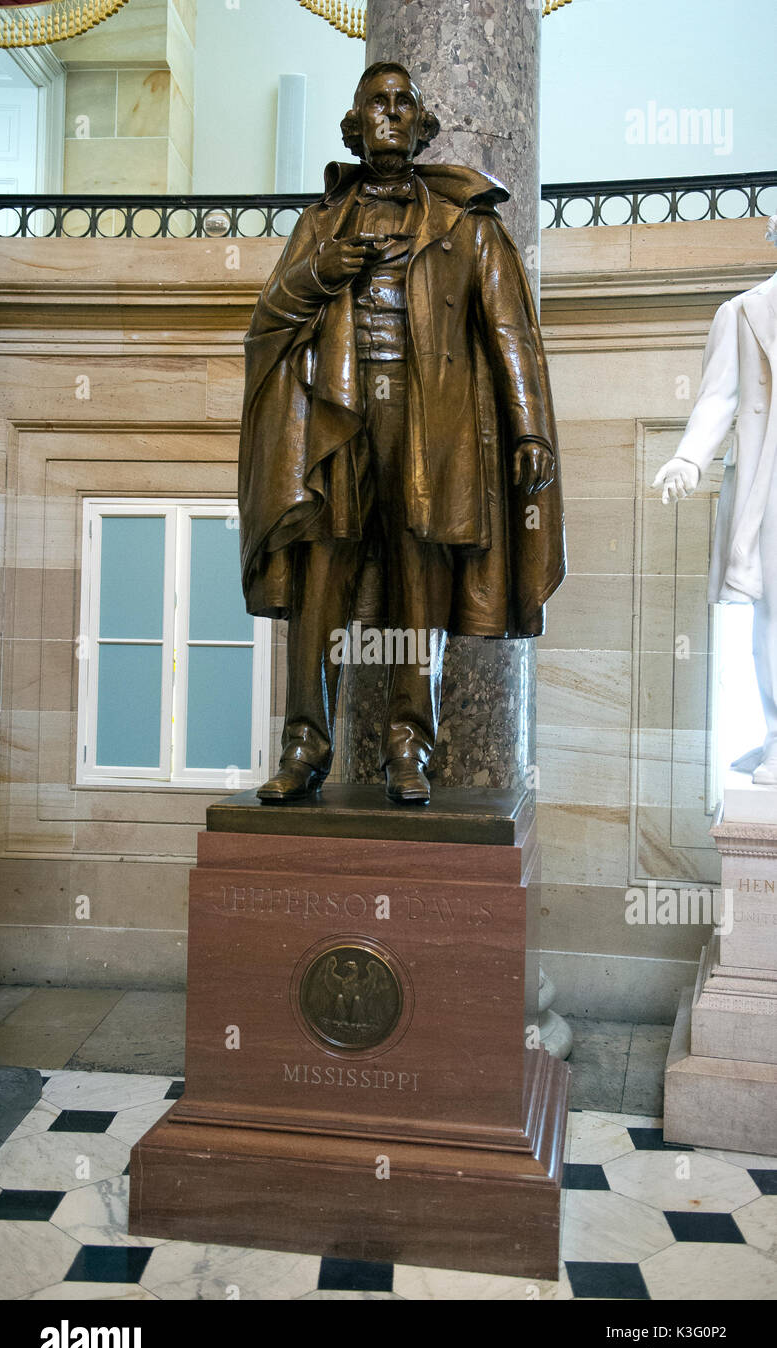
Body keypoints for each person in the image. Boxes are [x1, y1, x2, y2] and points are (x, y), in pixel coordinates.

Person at [238, 62, 565, 803]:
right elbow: (265, 324)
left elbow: (510, 330)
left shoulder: (465, 221)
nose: (388, 115)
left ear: (420, 127)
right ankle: (303, 747)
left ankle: (406, 748)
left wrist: (530, 430)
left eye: (401, 104)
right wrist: (319, 271)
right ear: (353, 127)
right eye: (373, 105)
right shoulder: (320, 223)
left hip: (431, 416)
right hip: (335, 416)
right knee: (324, 574)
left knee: (422, 581)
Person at [654, 215, 777, 784]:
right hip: (769, 479)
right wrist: (689, 457)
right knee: (773, 612)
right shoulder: (745, 312)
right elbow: (718, 397)